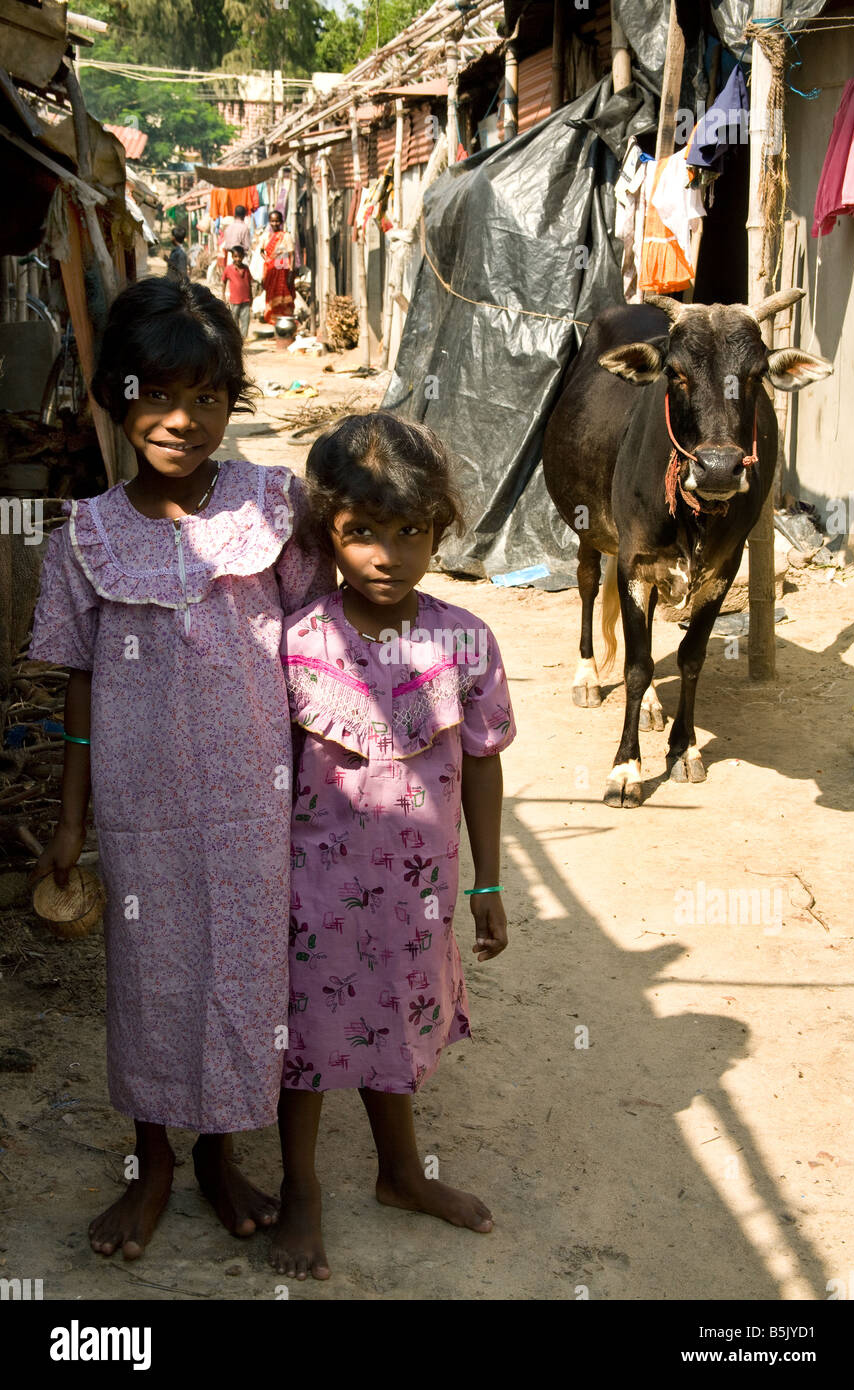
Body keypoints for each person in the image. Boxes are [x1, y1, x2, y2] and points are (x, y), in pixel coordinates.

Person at [28, 276, 333, 1261]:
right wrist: (71, 823)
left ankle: (221, 1147)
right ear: (116, 396)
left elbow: (316, 648)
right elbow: (76, 689)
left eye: (208, 395)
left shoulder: (271, 504)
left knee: (245, 975)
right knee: (152, 978)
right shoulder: (84, 536)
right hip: (138, 807)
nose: (182, 419)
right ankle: (152, 1161)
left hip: (257, 801)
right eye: (157, 392)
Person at [270, 412, 516, 1280]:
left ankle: (401, 1173)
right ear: (328, 535)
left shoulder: (465, 640)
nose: (386, 554)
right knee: (304, 1035)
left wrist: (488, 884)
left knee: (392, 1022)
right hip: (311, 892)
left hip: (419, 895)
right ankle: (300, 1188)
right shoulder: (297, 644)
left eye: (409, 531)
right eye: (361, 533)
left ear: (440, 530)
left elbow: (483, 764)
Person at [260, 208, 295, 325]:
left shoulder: (286, 236)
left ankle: (286, 323)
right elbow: (261, 251)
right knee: (271, 297)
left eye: (277, 221)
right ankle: (274, 323)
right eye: (272, 221)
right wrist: (268, 260)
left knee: (284, 297)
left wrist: (291, 272)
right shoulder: (265, 237)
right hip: (270, 272)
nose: (275, 224)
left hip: (283, 271)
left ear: (281, 222)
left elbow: (291, 255)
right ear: (269, 222)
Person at [222, 244, 253, 339]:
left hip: (246, 300)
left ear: (243, 257)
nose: (238, 259)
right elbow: (223, 282)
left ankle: (243, 339)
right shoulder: (228, 269)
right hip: (234, 301)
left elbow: (249, 283)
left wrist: (251, 297)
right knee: (234, 321)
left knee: (245, 321)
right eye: (235, 256)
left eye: (240, 256)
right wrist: (223, 295)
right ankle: (235, 339)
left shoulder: (246, 269)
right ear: (232, 257)